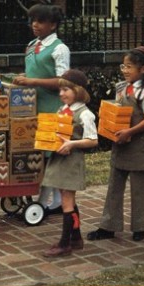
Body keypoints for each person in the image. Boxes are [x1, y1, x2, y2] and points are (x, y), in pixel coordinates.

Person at [88, 46, 144, 242]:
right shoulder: (121, 87)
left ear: (143, 69)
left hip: (139, 144)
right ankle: (108, 225)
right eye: (123, 66)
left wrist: (130, 132)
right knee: (114, 186)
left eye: (129, 67)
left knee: (139, 188)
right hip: (121, 143)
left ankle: (139, 227)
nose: (124, 70)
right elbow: (118, 110)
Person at [12, 4, 71, 216]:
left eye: (40, 21)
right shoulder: (31, 45)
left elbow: (65, 81)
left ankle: (50, 200)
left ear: (53, 25)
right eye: (33, 21)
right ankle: (49, 199)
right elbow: (31, 71)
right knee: (40, 153)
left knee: (50, 154)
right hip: (32, 106)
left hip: (52, 107)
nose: (35, 25)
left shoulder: (59, 48)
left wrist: (32, 80)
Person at [41, 69, 98, 257]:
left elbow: (93, 140)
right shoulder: (62, 109)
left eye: (66, 90)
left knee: (67, 200)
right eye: (60, 90)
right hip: (59, 157)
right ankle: (76, 238)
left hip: (71, 160)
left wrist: (72, 144)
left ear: (78, 90)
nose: (61, 94)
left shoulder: (84, 114)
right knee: (67, 198)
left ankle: (65, 243)